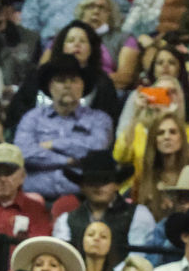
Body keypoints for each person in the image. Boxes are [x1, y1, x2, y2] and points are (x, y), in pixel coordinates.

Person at [15, 53, 115, 201]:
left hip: (82, 200)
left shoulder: (99, 119)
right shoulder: (33, 118)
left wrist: (51, 144)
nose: (68, 85)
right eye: (61, 80)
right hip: (33, 198)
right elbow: (23, 153)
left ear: (83, 85)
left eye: (74, 80)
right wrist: (68, 161)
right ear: (50, 87)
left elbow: (97, 148)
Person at [53, 149, 157, 268]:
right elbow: (63, 258)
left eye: (105, 180)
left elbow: (138, 259)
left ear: (117, 185)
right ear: (82, 186)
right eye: (92, 181)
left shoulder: (139, 215)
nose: (98, 186)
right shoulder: (66, 220)